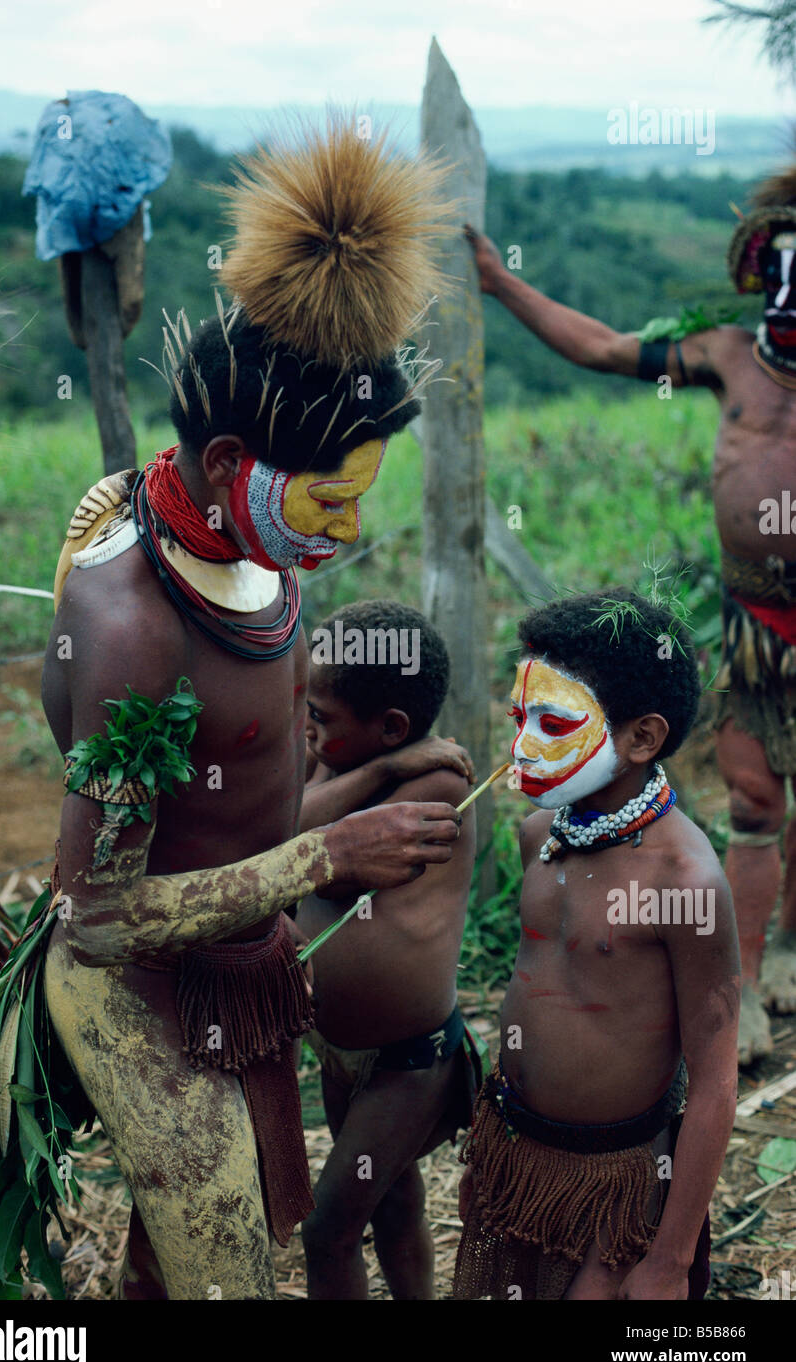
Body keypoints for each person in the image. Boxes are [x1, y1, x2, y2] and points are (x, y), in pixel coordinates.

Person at [41, 118, 462, 1300]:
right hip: (137, 982)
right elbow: (94, 913)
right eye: (330, 503)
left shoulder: (226, 528)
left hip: (244, 961)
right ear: (233, 463)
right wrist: (321, 849)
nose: (351, 535)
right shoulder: (136, 623)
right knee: (224, 1274)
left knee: (182, 1254)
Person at [465, 161, 796, 1065]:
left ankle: (786, 952)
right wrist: (499, 284)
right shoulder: (729, 353)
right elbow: (602, 348)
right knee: (756, 798)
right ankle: (747, 989)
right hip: (755, 628)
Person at [453, 589, 739, 1301]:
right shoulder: (536, 838)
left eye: (552, 722)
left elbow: (714, 1079)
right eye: (519, 718)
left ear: (641, 738)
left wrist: (669, 1259)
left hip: (616, 1185)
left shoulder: (685, 880)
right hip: (513, 1156)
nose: (520, 746)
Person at [295, 599, 480, 1299]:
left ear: (392, 728)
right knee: (393, 1205)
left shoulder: (437, 785)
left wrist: (385, 774)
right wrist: (373, 768)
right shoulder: (335, 767)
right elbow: (280, 822)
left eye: (320, 715)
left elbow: (294, 835)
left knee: (327, 1231)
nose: (306, 726)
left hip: (409, 1062)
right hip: (342, 1056)